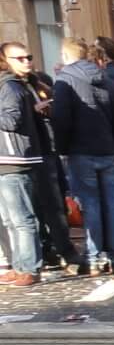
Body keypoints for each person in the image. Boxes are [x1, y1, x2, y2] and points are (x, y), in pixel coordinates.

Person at [50, 39, 114, 275]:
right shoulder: (107, 79)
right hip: (108, 149)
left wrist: (61, 149)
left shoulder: (65, 79)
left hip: (80, 150)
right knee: (112, 202)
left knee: (91, 204)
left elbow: (62, 119)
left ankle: (94, 257)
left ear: (65, 54)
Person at [0, 41, 44, 284]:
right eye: (21, 58)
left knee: (22, 219)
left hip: (15, 159)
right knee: (9, 219)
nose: (27, 61)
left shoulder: (11, 87)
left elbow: (11, 121)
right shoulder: (10, 86)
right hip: (5, 160)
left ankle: (29, 267)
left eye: (28, 57)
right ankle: (19, 265)